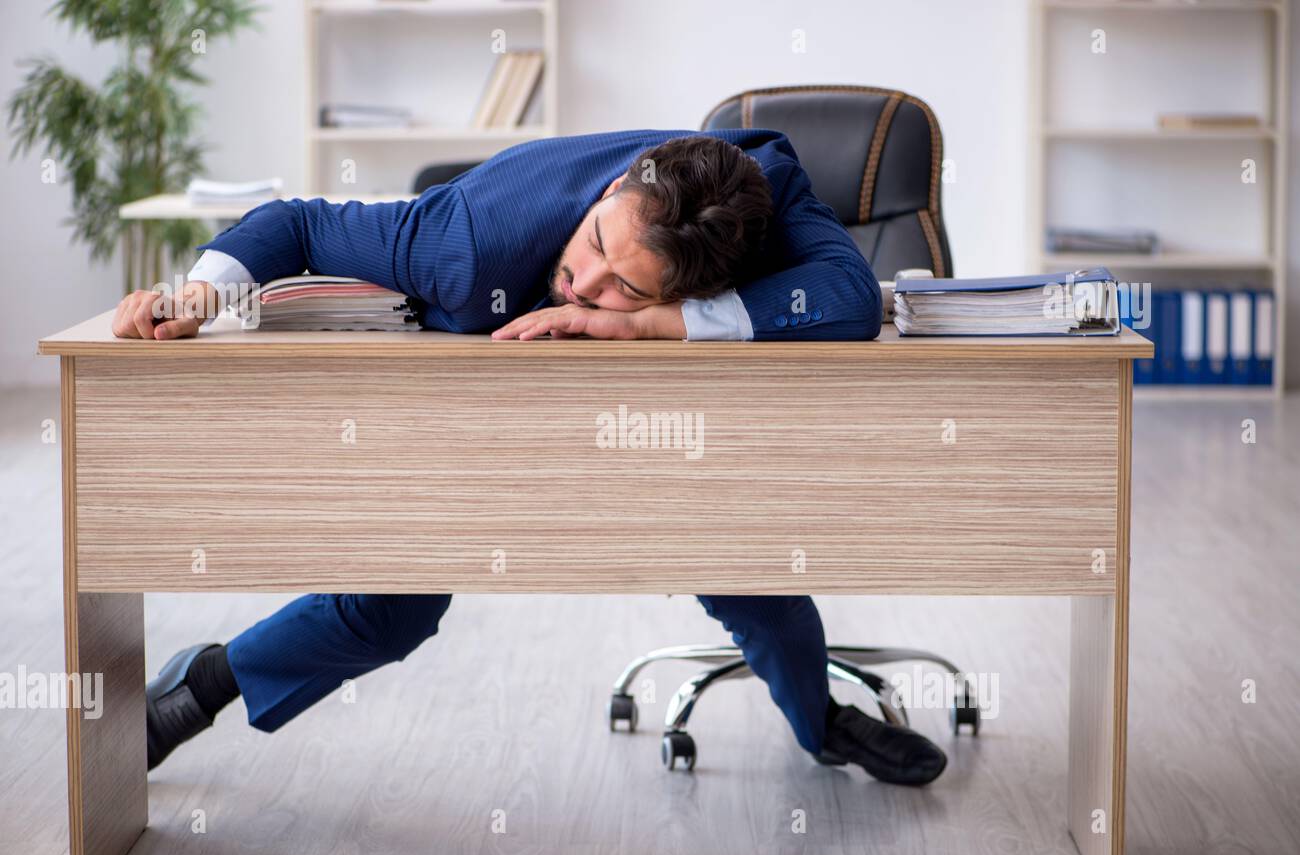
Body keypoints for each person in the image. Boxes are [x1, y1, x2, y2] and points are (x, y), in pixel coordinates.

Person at [116, 128, 947, 786]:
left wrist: (649, 328)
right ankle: (206, 684)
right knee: (392, 610)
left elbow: (846, 296)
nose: (583, 285)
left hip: (658, 415)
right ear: (615, 189)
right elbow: (294, 223)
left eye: (627, 285)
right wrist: (200, 294)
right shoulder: (468, 239)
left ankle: (822, 724)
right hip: (486, 390)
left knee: (741, 563)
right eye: (594, 245)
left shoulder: (767, 200)